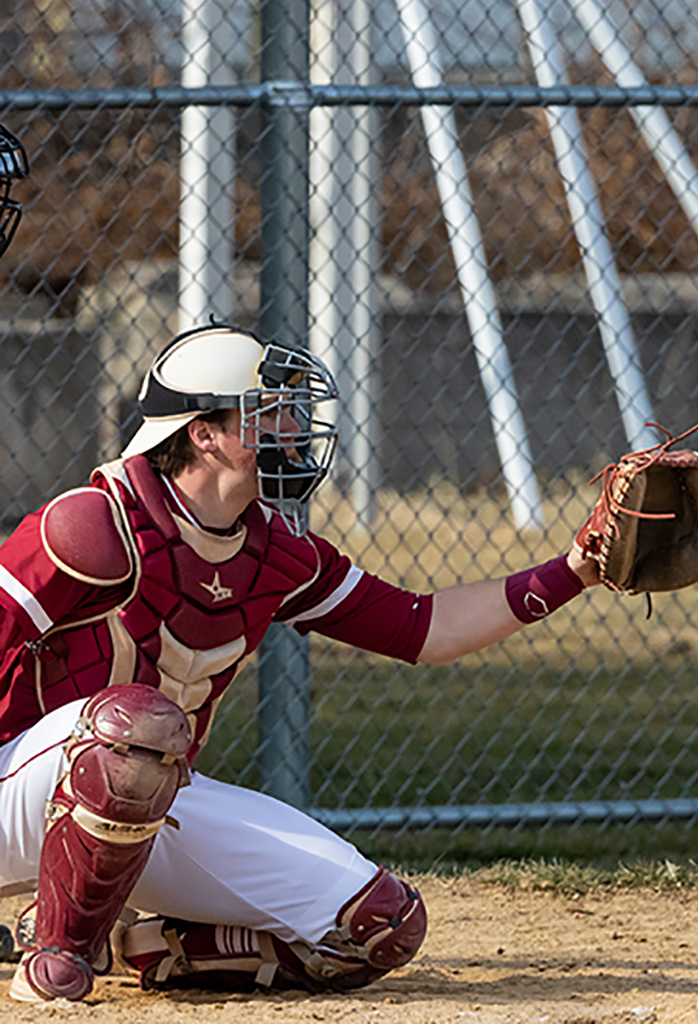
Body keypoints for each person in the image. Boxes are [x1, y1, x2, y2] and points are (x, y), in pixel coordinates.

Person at [0, 126, 601, 1002]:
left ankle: (137, 938)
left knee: (378, 928)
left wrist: (579, 568)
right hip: (20, 786)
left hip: (139, 799)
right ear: (203, 433)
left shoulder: (277, 552)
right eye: (266, 414)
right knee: (132, 726)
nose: (290, 430)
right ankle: (56, 960)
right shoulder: (94, 527)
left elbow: (421, 628)